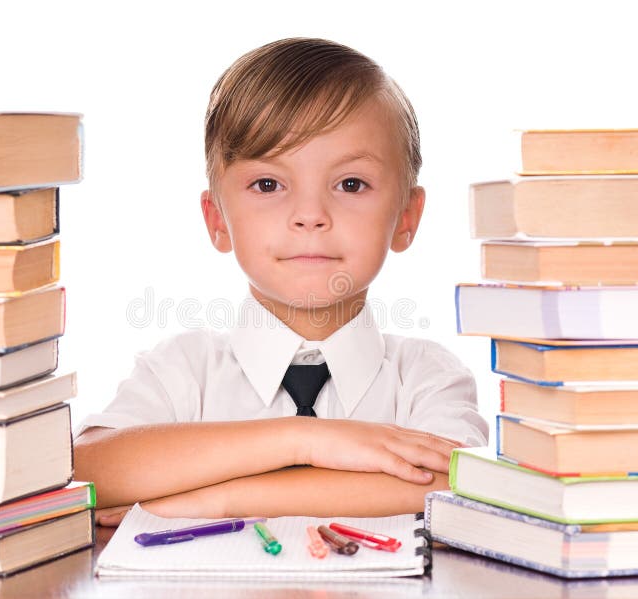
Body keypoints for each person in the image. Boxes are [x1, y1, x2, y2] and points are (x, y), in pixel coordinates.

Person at [74, 37, 488, 525]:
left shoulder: (426, 377)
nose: (310, 215)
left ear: (406, 217)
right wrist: (304, 438)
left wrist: (220, 500)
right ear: (218, 220)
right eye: (268, 185)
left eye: (351, 184)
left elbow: (452, 484)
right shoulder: (183, 370)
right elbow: (92, 470)